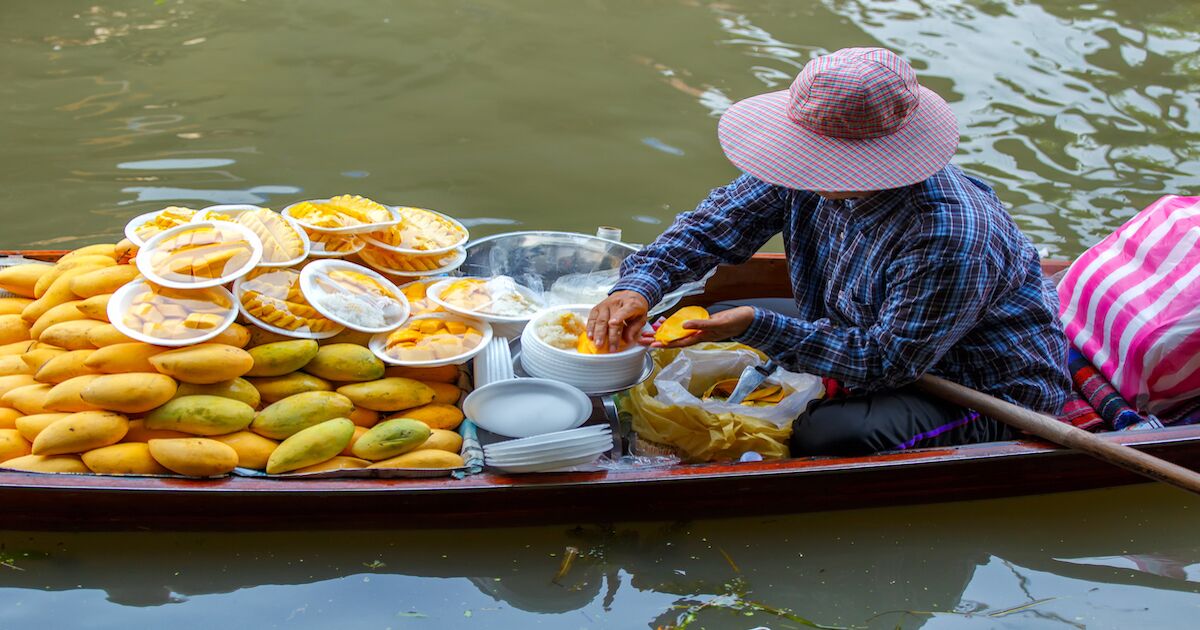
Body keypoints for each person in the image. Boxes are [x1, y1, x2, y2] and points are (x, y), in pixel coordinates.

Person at [588, 47, 1071, 456]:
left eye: (826, 162)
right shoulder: (800, 169)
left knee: (824, 434)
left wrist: (759, 325)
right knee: (712, 317)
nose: (806, 170)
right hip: (862, 332)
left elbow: (887, 363)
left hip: (973, 386)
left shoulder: (948, 237)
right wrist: (638, 286)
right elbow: (711, 227)